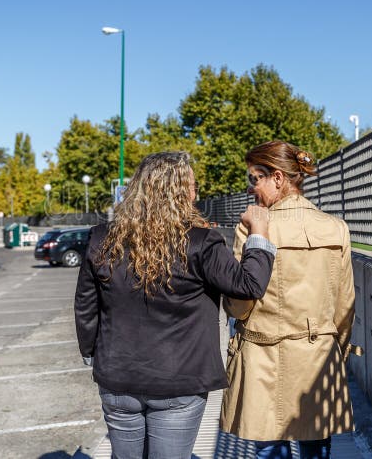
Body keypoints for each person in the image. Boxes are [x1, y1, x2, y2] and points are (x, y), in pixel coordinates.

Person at [74, 151, 276, 459]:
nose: (197, 192)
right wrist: (259, 234)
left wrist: (91, 353)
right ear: (180, 192)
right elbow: (248, 285)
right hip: (179, 381)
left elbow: (86, 305)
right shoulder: (201, 242)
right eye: (192, 185)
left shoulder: (102, 238)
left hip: (118, 377)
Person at [220, 140, 357, 459]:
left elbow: (241, 302)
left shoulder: (253, 228)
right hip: (318, 358)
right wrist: (336, 349)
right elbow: (345, 306)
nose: (253, 189)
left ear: (278, 178)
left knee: (269, 448)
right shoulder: (336, 229)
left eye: (256, 179)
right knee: (316, 449)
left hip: (263, 361)